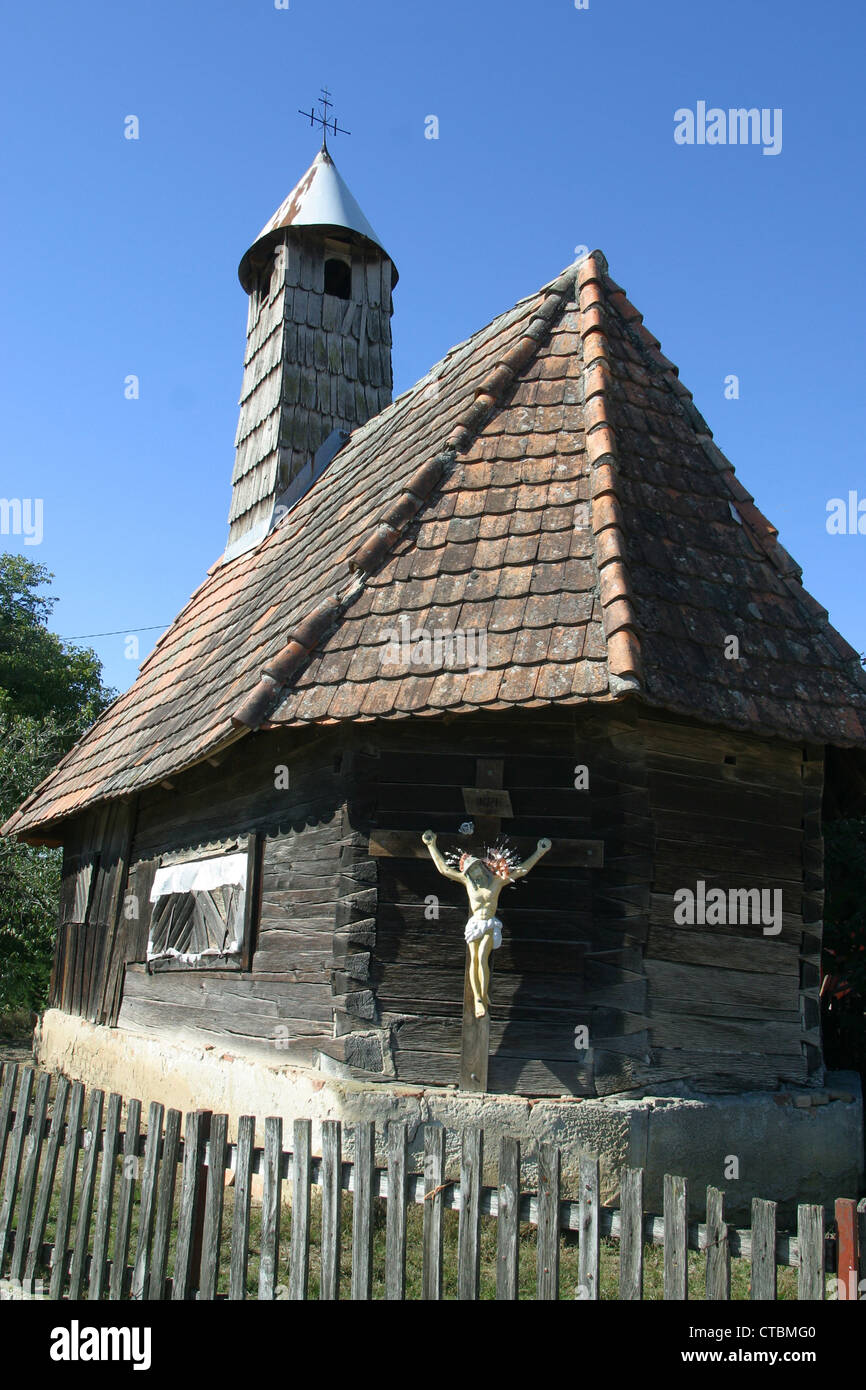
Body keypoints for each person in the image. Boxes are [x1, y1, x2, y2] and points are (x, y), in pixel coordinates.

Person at [421, 830, 552, 1019]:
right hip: (475, 924)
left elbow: (521, 870)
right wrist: (431, 845)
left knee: (482, 956)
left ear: (481, 868)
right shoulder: (467, 882)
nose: (474, 873)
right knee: (473, 960)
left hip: (489, 923)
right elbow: (444, 870)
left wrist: (539, 852)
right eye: (471, 871)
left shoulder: (496, 882)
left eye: (476, 869)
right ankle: (478, 999)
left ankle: (483, 997)